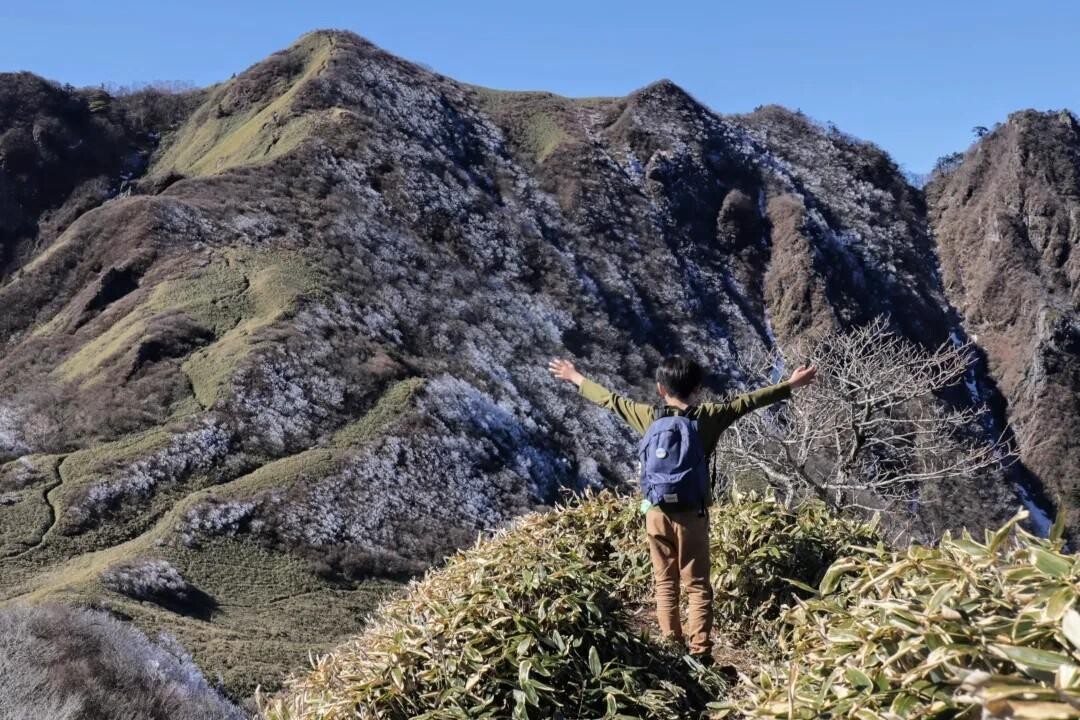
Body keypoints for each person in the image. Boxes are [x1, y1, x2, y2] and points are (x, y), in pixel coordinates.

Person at [548, 354, 817, 661]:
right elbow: (748, 401)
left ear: (661, 389)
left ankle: (672, 646)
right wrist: (790, 385)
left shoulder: (649, 417)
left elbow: (611, 400)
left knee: (665, 582)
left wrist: (574, 376)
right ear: (698, 390)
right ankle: (701, 653)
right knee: (698, 585)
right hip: (692, 514)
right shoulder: (711, 416)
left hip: (656, 512)